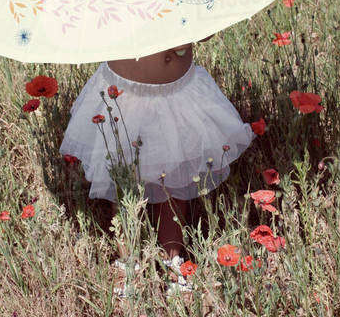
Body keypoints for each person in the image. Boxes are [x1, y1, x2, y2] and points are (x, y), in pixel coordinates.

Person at [59, 35, 256, 276]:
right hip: (125, 95)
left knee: (173, 181)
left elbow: (205, 30)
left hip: (177, 94)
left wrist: (189, 32)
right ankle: (128, 260)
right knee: (124, 183)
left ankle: (173, 256)